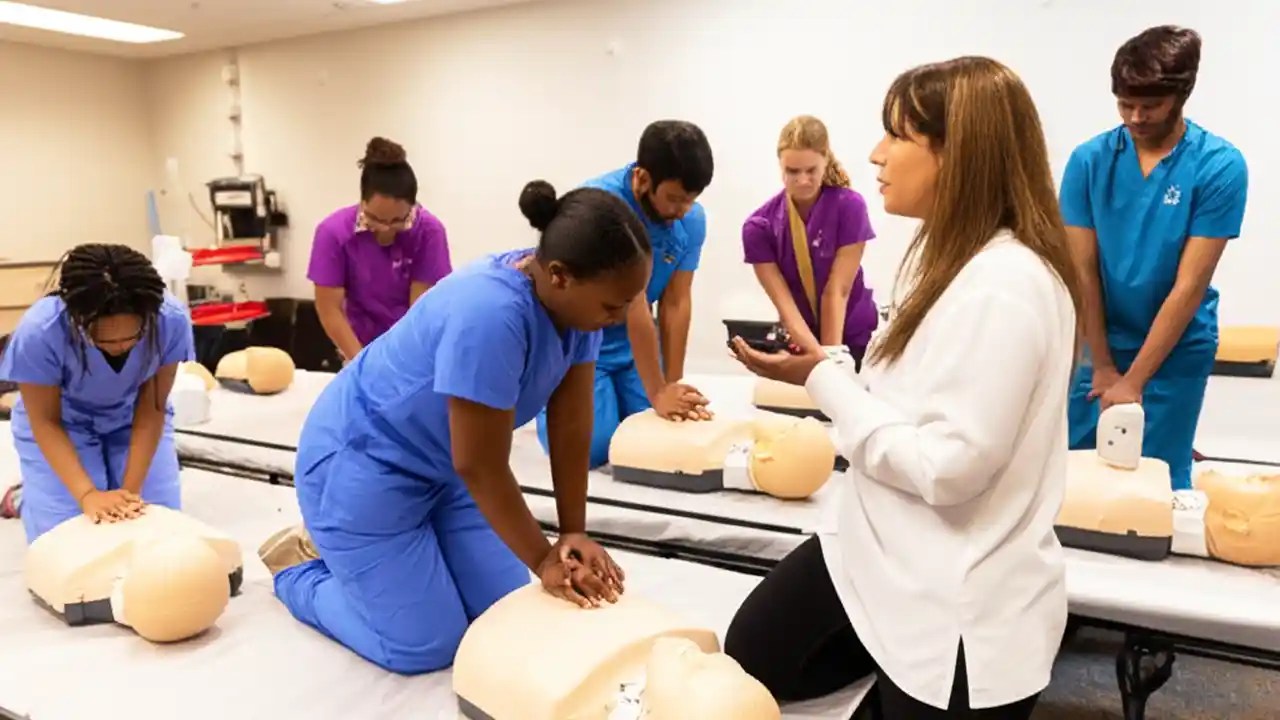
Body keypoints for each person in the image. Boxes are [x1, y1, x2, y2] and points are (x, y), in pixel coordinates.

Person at [722, 56, 1083, 718]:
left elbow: (947, 470)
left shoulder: (1006, 285)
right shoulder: (939, 256)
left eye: (897, 135)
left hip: (955, 595)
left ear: (957, 154)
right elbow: (904, 394)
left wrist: (823, 381)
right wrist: (829, 369)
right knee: (752, 655)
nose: (875, 153)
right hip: (877, 539)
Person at [265, 180, 651, 674]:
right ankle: (301, 570)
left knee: (501, 614)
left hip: (444, 473)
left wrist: (571, 532)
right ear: (560, 277)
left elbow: (572, 424)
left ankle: (381, 562)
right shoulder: (490, 314)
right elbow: (481, 463)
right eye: (613, 307)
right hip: (363, 468)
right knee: (425, 645)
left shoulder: (577, 309)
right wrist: (543, 559)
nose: (619, 319)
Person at [1061, 26, 1248, 491]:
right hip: (1097, 338)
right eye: (1126, 105)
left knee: (1155, 484)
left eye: (1150, 106)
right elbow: (1081, 268)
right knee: (1077, 480)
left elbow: (1189, 285)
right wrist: (1103, 365)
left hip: (1174, 348)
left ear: (1181, 96)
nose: (1137, 117)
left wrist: (1135, 380)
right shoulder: (1089, 160)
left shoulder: (1218, 166)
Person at [535, 120, 716, 468]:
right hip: (586, 342)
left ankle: (617, 399)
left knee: (660, 437)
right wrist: (657, 392)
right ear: (644, 179)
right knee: (593, 449)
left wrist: (671, 385)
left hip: (636, 347)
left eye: (691, 201)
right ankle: (551, 398)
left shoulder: (691, 219)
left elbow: (676, 303)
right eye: (675, 199)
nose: (682, 211)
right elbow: (633, 302)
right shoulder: (601, 208)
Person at [0, 243, 196, 544]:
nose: (120, 347)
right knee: (70, 538)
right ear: (78, 320)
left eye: (132, 337)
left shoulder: (170, 320)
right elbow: (46, 421)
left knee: (157, 525)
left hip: (132, 416)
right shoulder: (40, 331)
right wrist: (88, 494)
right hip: (62, 423)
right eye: (104, 340)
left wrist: (129, 496)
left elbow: (152, 409)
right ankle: (25, 496)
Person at [742, 115, 878, 364]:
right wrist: (818, 360)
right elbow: (786, 308)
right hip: (802, 342)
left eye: (811, 170)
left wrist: (832, 359)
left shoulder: (850, 207)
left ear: (825, 161)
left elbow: (837, 291)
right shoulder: (758, 227)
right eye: (792, 171)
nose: (803, 180)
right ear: (780, 165)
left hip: (858, 339)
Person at [309, 136, 453, 363]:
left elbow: (420, 311)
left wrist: (403, 362)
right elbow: (329, 308)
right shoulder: (333, 233)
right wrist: (361, 364)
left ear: (413, 207)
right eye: (375, 219)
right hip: (356, 344)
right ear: (362, 201)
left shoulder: (429, 232)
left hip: (412, 346)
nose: (386, 229)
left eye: (398, 220)